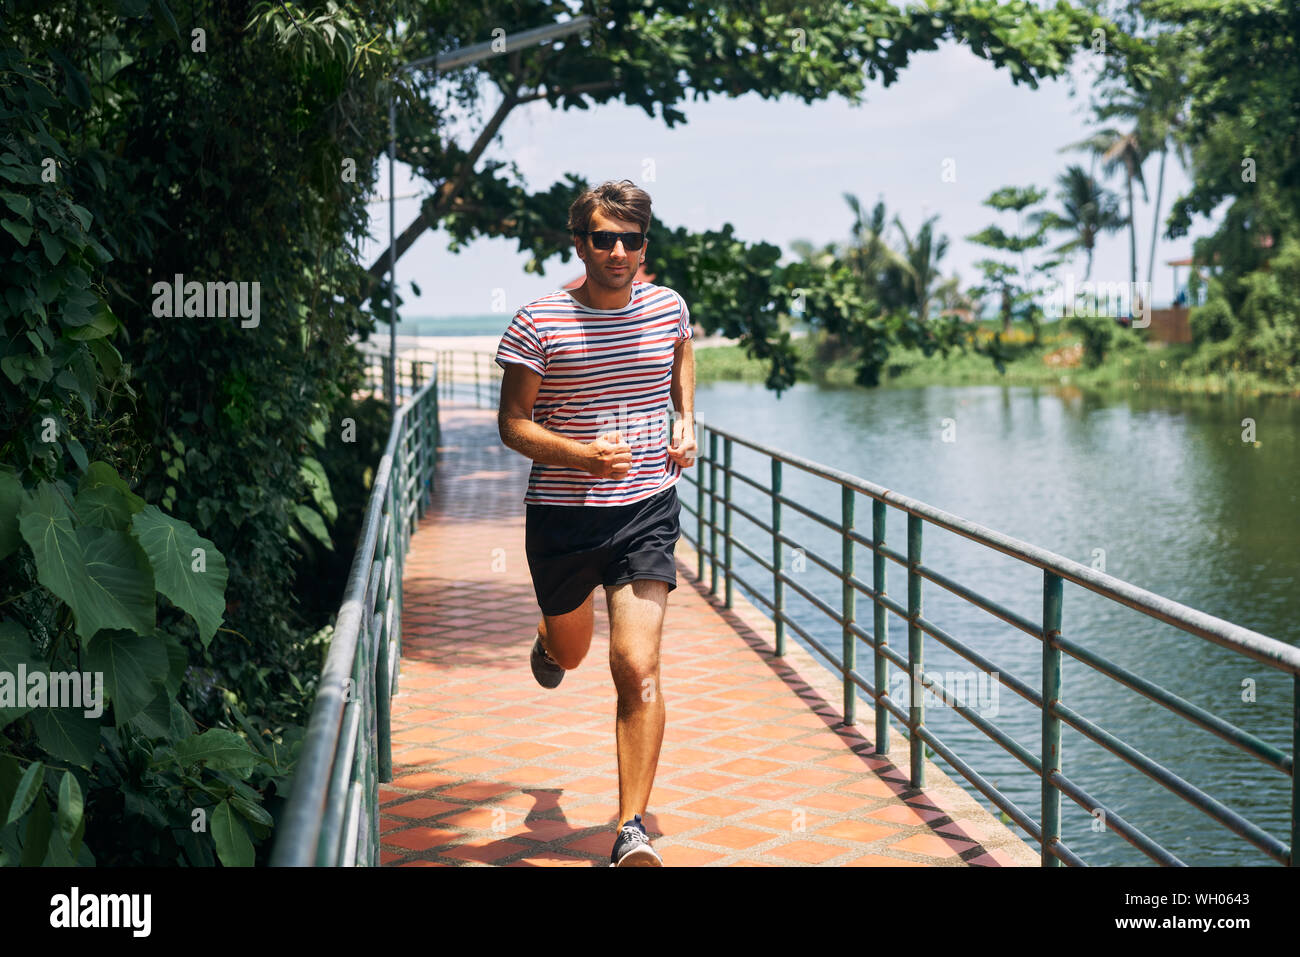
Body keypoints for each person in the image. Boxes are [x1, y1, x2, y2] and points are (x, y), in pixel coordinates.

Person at [494, 179, 697, 867]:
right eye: (604, 238)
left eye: (630, 240)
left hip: (646, 508)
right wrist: (583, 456)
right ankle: (549, 643)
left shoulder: (668, 306)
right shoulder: (539, 322)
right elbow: (512, 424)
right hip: (564, 519)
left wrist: (685, 419)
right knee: (575, 653)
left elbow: (681, 350)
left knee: (636, 665)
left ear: (644, 246)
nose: (617, 251)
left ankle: (631, 827)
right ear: (580, 243)